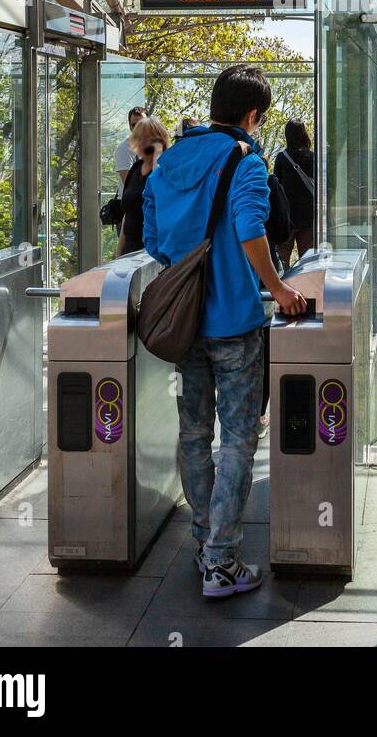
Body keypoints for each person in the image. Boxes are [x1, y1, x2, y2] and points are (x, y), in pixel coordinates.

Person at [142, 64, 306, 599]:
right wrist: (278, 289)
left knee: (194, 433)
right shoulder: (247, 161)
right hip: (235, 323)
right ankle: (222, 561)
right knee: (238, 439)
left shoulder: (167, 163)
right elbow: (250, 229)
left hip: (183, 326)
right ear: (253, 115)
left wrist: (188, 272)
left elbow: (154, 240)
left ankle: (200, 541)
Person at [258, 155, 292, 437]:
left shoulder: (204, 177)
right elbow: (282, 229)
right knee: (265, 342)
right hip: (262, 274)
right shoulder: (266, 182)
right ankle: (258, 411)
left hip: (217, 280)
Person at [116, 116, 170, 257]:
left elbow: (160, 199)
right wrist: (118, 253)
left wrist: (157, 157)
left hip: (153, 251)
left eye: (148, 138)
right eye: (138, 138)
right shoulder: (135, 168)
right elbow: (128, 213)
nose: (142, 143)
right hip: (130, 250)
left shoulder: (165, 170)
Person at [274, 119, 315, 266]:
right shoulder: (313, 158)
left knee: (282, 259)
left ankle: (282, 286)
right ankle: (304, 289)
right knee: (307, 262)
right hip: (308, 216)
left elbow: (276, 187)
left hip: (287, 218)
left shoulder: (282, 158)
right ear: (304, 134)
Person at [115, 106, 146, 195]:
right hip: (133, 205)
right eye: (134, 125)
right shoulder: (124, 149)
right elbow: (129, 184)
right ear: (130, 126)